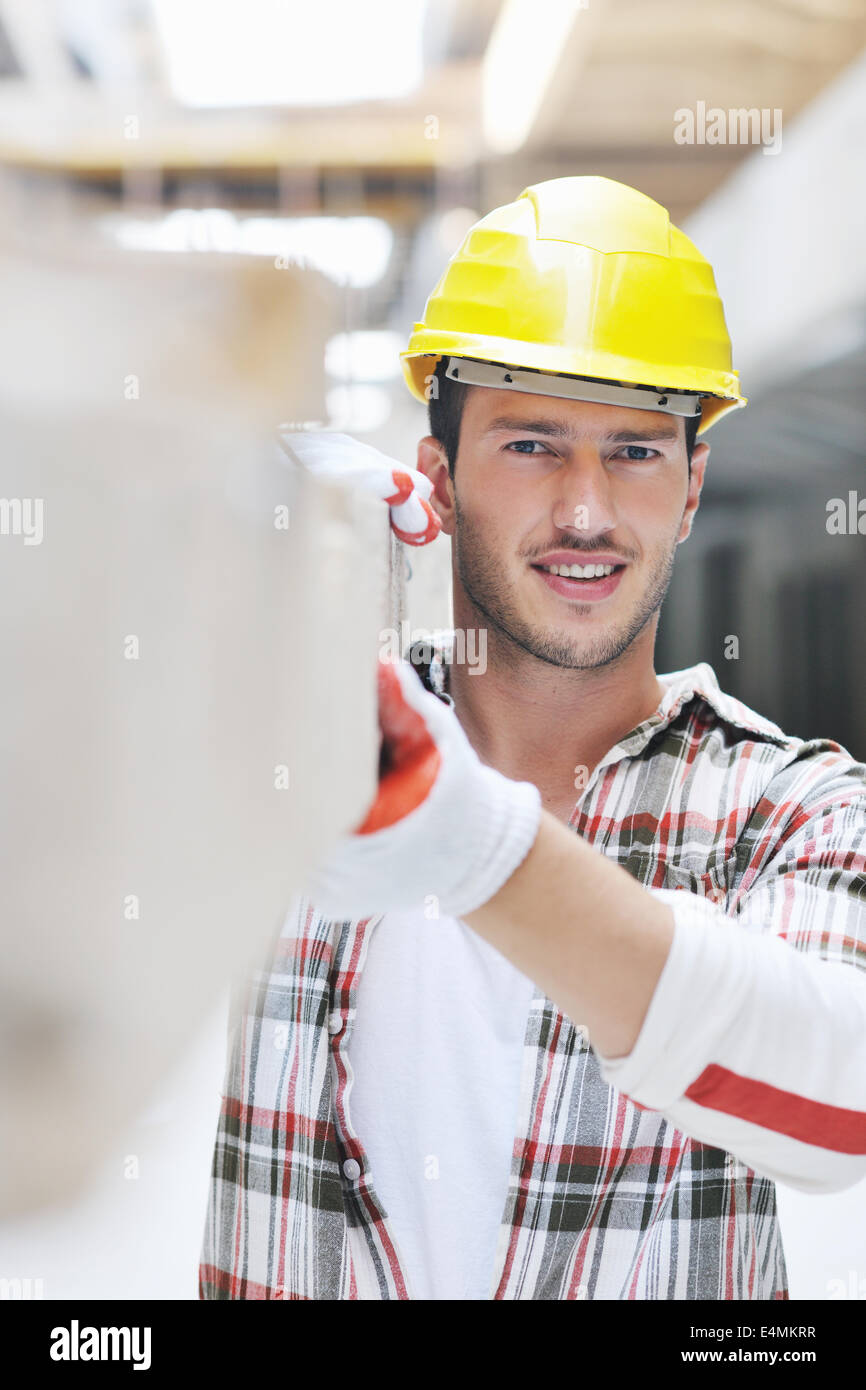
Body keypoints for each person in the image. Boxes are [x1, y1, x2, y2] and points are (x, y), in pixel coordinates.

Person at [199, 176, 866, 1301]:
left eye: (636, 452)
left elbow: (836, 1104)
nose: (586, 511)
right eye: (532, 445)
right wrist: (211, 523)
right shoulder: (287, 746)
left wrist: (461, 839)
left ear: (694, 486)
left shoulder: (786, 802)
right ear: (438, 478)